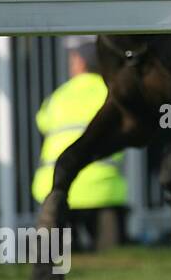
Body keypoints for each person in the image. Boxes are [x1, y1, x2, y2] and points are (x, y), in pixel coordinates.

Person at [32, 37, 127, 251]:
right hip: (104, 189)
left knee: (63, 256)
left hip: (56, 188)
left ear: (80, 62)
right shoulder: (113, 93)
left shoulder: (58, 96)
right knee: (110, 257)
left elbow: (42, 122)